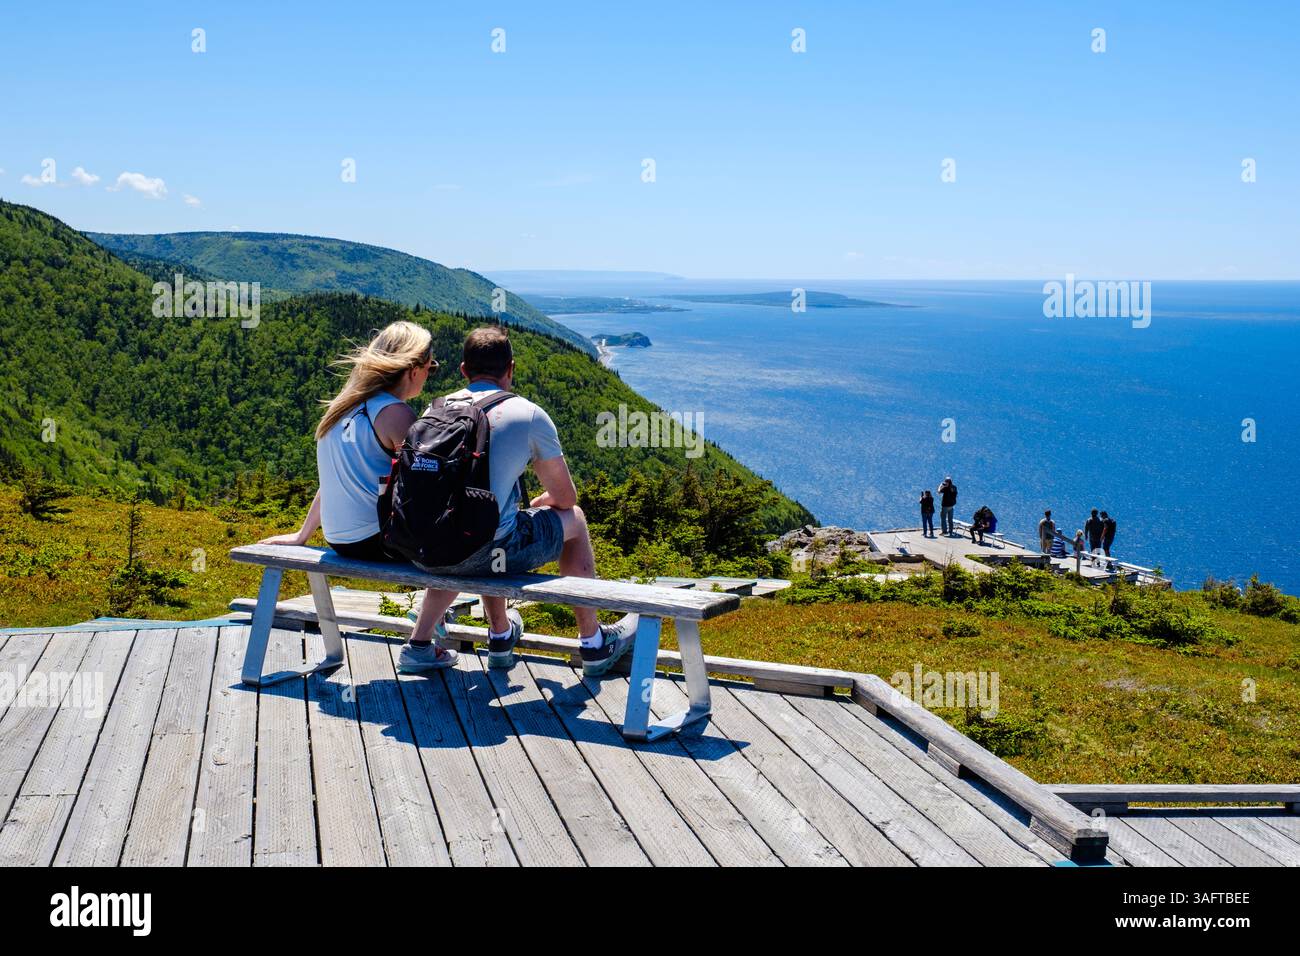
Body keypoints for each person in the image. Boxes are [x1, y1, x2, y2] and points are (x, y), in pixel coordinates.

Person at [403, 325, 639, 677]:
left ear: (464, 370)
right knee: (572, 518)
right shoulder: (527, 414)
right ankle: (593, 643)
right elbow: (565, 496)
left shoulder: (435, 410)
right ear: (510, 369)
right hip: (483, 552)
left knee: (490, 519)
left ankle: (484, 637)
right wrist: (546, 501)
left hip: (427, 549)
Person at [258, 321, 456, 666]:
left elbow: (335, 480)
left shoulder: (342, 408)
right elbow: (427, 485)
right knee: (469, 546)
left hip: (340, 539)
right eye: (430, 367)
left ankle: (435, 619)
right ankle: (426, 642)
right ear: (412, 369)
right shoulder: (395, 414)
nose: (430, 375)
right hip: (377, 541)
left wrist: (304, 535)